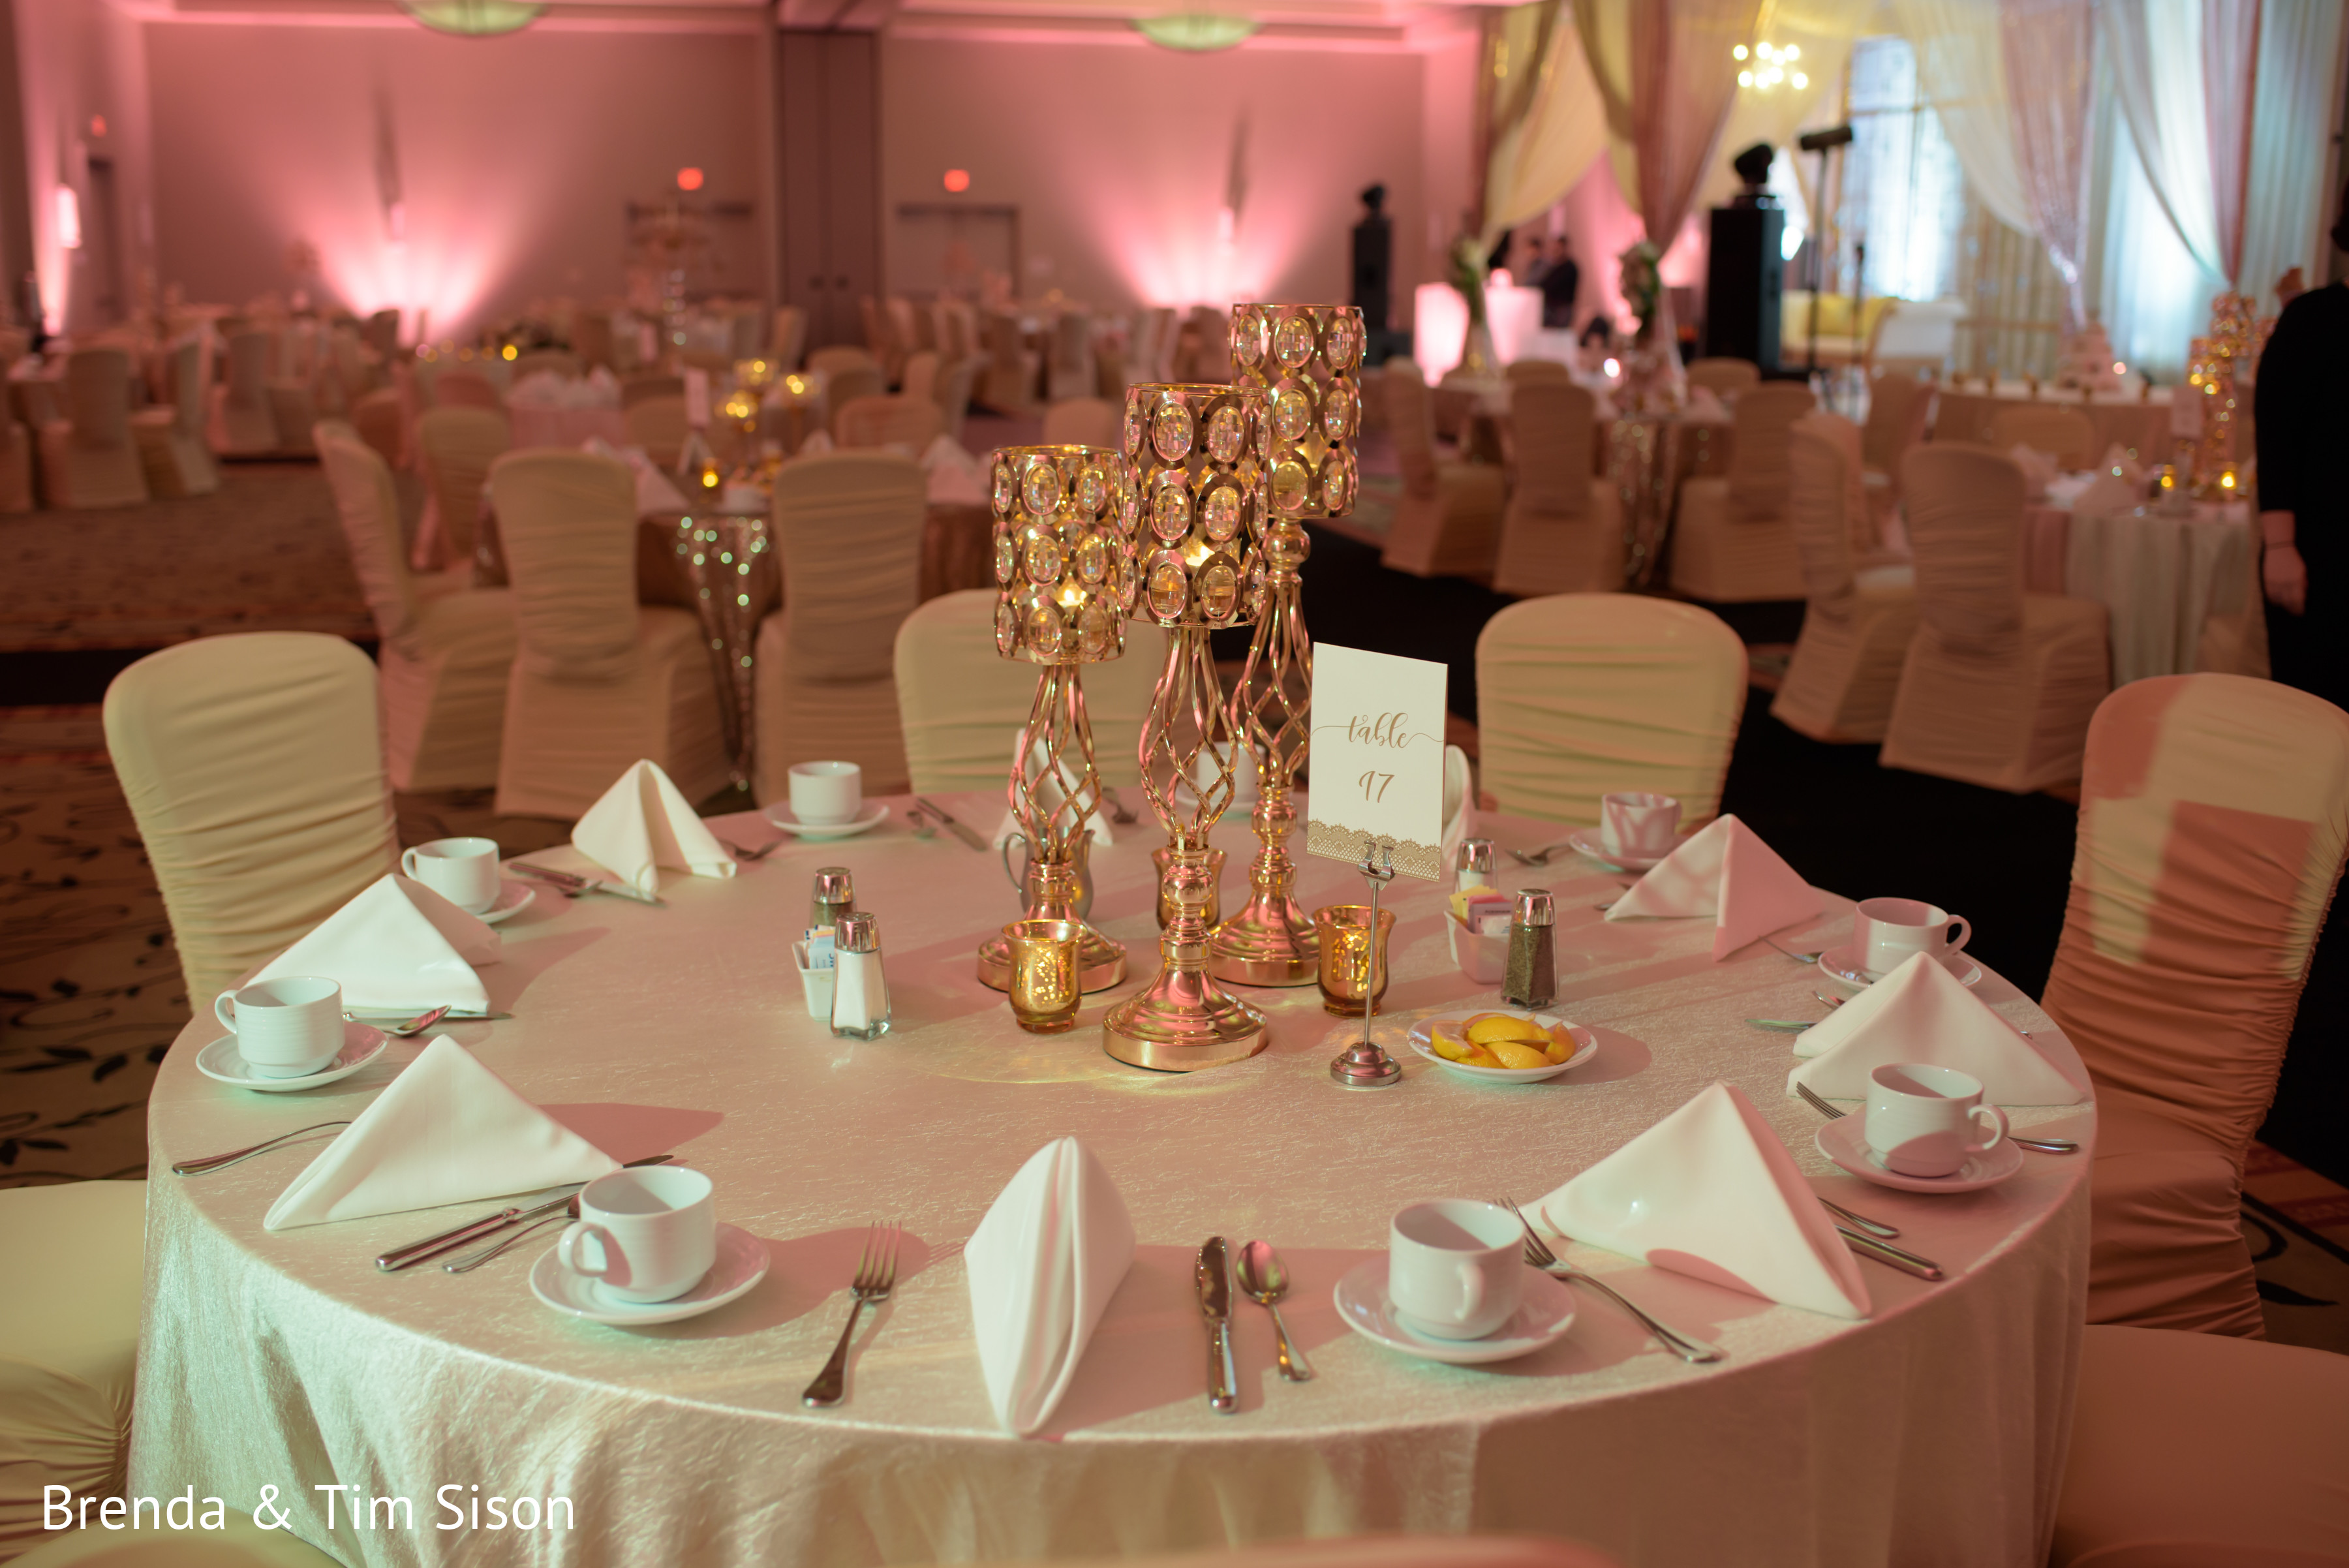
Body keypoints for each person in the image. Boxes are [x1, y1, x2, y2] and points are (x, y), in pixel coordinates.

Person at [2252, 184, 2349, 709]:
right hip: (2318, 556)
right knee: (2316, 715)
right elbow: (2277, 439)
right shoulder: (2311, 320)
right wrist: (2281, 547)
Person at [1541, 236, 1580, 330]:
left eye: (1558, 248)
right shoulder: (1555, 266)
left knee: (1559, 335)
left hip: (1562, 309)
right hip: (1552, 308)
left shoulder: (1569, 267)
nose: (1555, 251)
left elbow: (1553, 285)